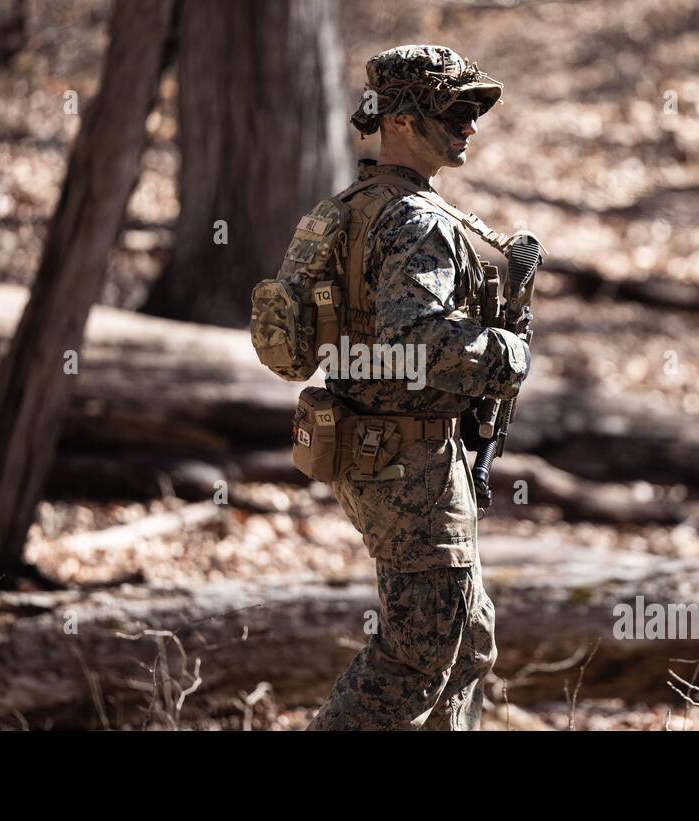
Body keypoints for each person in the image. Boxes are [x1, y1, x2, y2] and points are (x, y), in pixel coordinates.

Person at [302, 45, 532, 731]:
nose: (470, 126)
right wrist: (508, 354)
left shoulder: (356, 206)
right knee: (418, 654)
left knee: (465, 642)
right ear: (400, 120)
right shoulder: (419, 222)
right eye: (454, 110)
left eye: (475, 111)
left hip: (373, 448)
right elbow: (415, 343)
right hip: (410, 463)